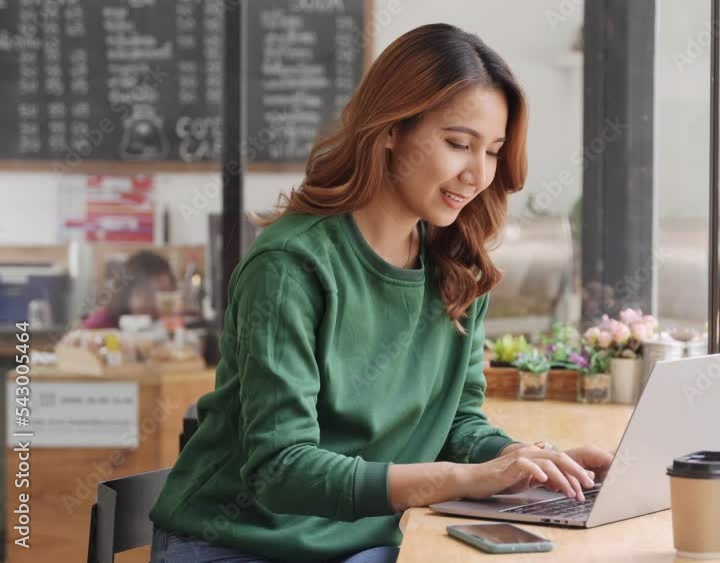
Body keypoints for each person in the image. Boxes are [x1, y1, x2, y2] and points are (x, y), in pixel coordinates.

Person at [148, 24, 613, 563]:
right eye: (458, 144)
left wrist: (523, 461)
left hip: (370, 541)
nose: (476, 174)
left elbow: (456, 422)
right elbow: (281, 468)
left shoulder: (457, 264)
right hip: (239, 544)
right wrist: (464, 477)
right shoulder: (290, 266)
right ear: (392, 128)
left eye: (493, 151)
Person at [81, 250, 176, 329]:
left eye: (166, 293)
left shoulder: (169, 324)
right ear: (128, 292)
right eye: (151, 294)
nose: (159, 303)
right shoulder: (102, 322)